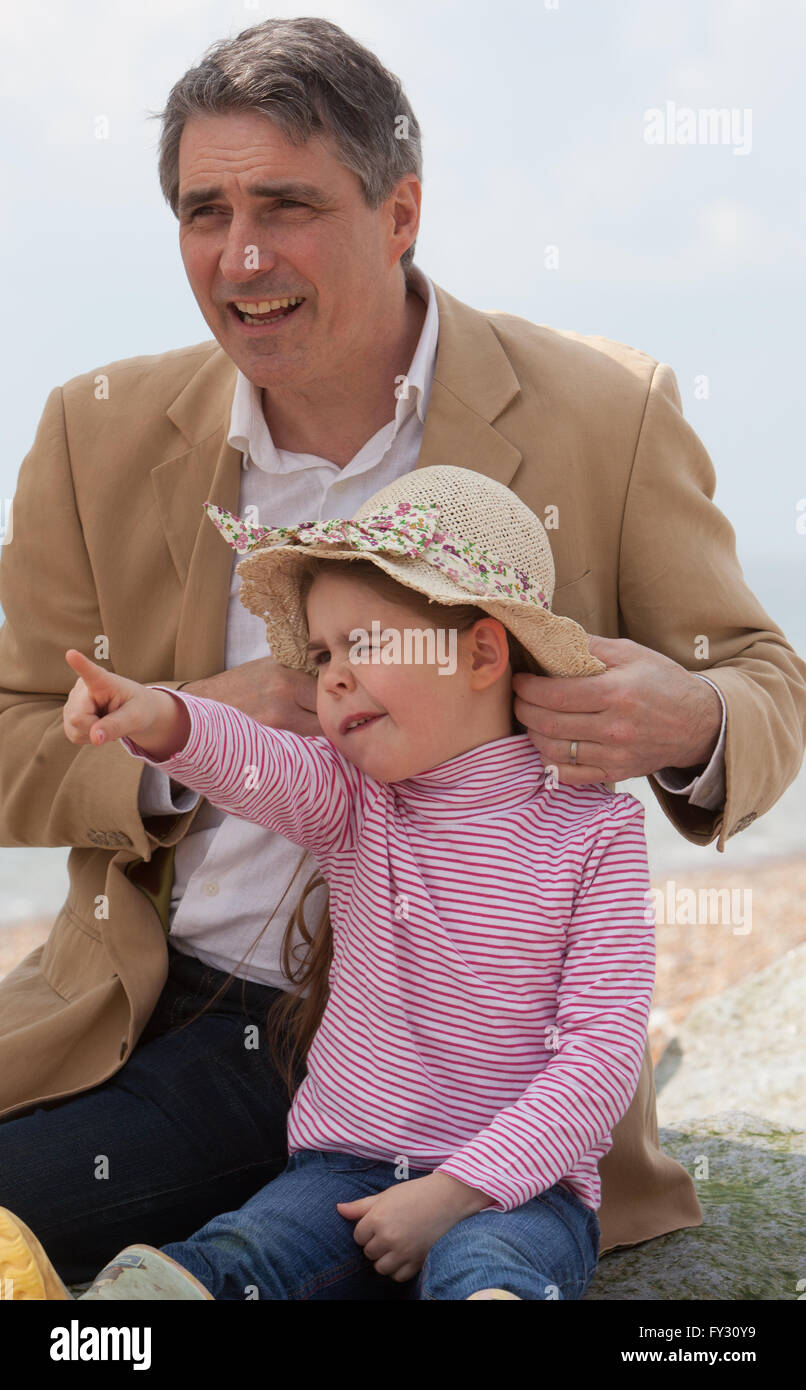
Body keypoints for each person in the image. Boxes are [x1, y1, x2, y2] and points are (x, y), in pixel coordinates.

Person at [1, 16, 805, 1285]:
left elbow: (765, 679)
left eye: (286, 203)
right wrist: (189, 723)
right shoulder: (87, 433)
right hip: (172, 1013)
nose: (241, 253)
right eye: (203, 210)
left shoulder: (610, 410)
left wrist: (691, 720)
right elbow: (15, 739)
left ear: (400, 211)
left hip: (477, 1068)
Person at [1, 466, 654, 1301]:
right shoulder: (357, 801)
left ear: (485, 651)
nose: (332, 678)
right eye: (324, 654)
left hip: (519, 1192)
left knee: (484, 1271)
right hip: (344, 1165)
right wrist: (160, 715)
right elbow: (254, 762)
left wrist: (457, 1192)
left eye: (367, 645)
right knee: (244, 1251)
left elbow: (599, 1059)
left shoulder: (595, 834)